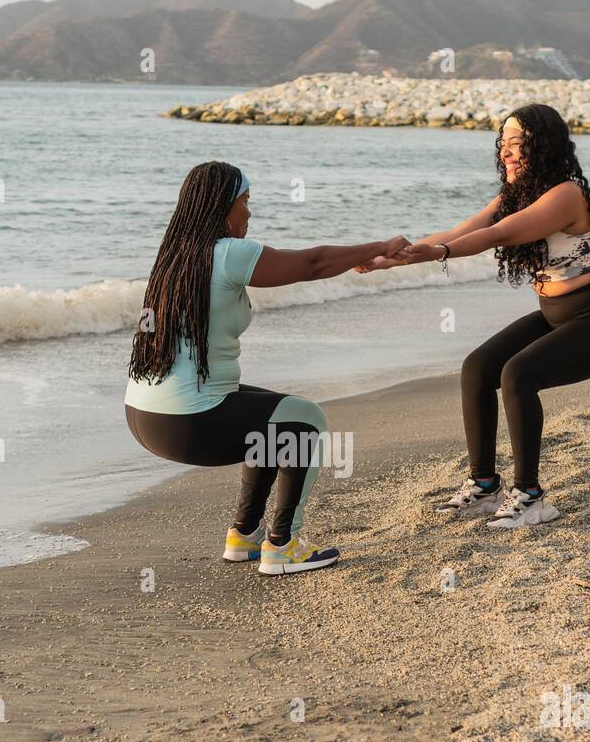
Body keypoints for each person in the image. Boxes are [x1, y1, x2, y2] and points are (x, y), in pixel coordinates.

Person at [358, 104, 590, 529]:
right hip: (557, 314)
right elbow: (461, 230)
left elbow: (502, 234)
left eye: (518, 144)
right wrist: (389, 260)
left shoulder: (566, 193)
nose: (508, 153)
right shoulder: (515, 196)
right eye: (503, 144)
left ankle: (531, 497)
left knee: (518, 374)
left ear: (543, 147)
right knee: (478, 368)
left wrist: (442, 254)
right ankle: (485, 486)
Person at [125, 160, 410, 572]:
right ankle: (283, 545)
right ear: (223, 205)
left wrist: (355, 258)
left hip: (144, 416)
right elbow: (310, 264)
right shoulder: (227, 254)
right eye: (245, 200)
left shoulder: (173, 256)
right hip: (188, 424)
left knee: (273, 417)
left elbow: (312, 263)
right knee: (307, 419)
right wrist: (378, 247)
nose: (250, 211)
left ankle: (245, 535)